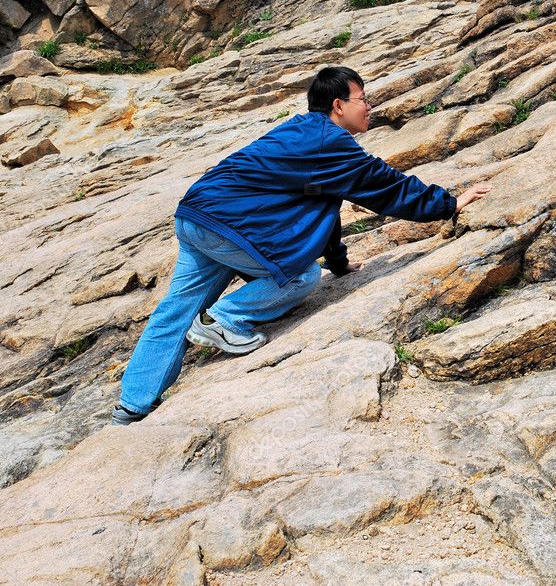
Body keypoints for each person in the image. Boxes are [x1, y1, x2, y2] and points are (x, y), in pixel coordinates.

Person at [111, 66, 491, 425]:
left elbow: (322, 207)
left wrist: (340, 264)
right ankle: (222, 319)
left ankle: (132, 405)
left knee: (176, 308)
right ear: (338, 106)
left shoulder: (303, 133)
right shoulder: (330, 142)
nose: (369, 106)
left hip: (195, 215)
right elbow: (387, 185)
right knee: (301, 275)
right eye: (362, 98)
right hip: (228, 223)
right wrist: (449, 203)